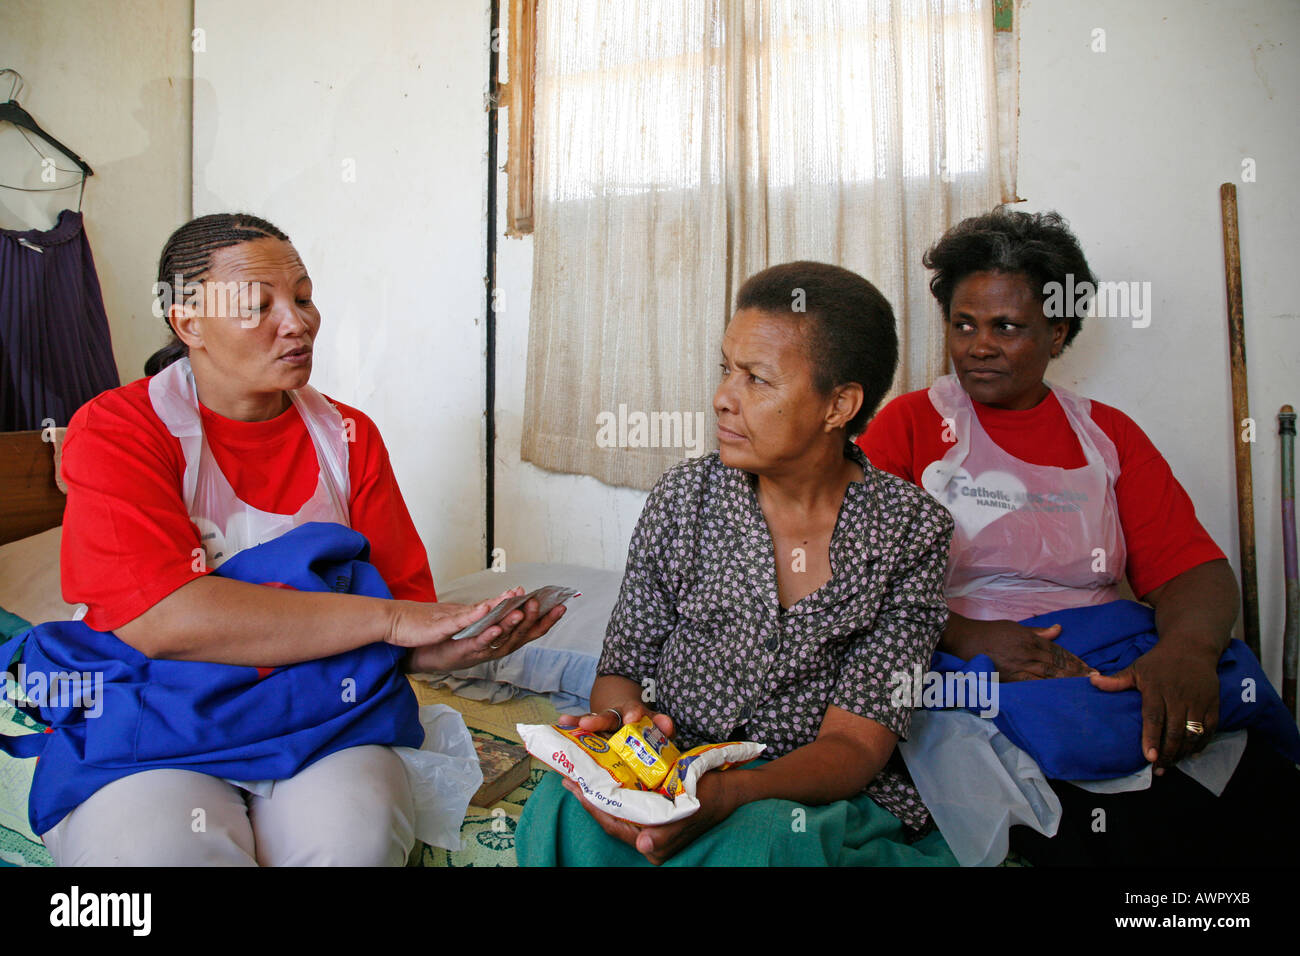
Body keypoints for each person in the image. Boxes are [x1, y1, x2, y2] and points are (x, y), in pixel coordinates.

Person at [13, 212, 566, 866]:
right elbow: (162, 618)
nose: (297, 321)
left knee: (351, 843)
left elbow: (401, 630)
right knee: (161, 852)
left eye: (303, 298)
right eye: (258, 305)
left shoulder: (346, 438)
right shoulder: (119, 429)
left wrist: (460, 645)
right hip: (159, 718)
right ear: (188, 322)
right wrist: (389, 620)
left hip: (323, 717)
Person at [858, 208, 1300, 865]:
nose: (979, 345)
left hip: (1101, 658)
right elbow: (857, 573)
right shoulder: (911, 425)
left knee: (1252, 780)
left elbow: (1193, 570)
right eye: (964, 324)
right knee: (1094, 820)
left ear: (1057, 331)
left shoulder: (1106, 436)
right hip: (961, 666)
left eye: (1007, 327)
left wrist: (1185, 651)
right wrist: (971, 636)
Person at [517, 262, 959, 867]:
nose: (724, 398)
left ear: (839, 405)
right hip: (672, 767)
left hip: (797, 787)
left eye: (757, 380)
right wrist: (626, 738)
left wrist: (729, 794)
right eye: (726, 369)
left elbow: (855, 744)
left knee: (770, 843)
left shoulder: (911, 532)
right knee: (564, 805)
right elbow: (622, 669)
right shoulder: (684, 499)